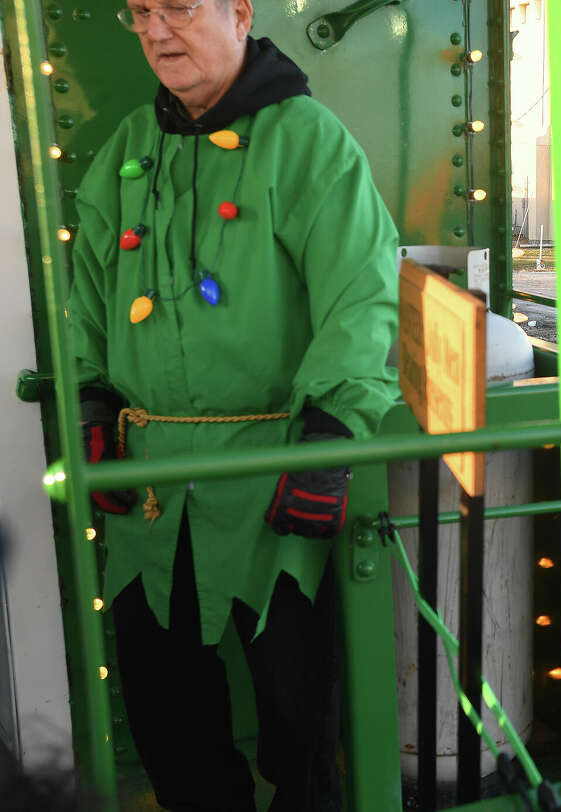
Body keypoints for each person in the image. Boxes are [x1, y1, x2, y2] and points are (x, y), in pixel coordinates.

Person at [67, 3, 400, 808]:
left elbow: (361, 298)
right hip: (150, 494)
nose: (156, 30)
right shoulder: (128, 150)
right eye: (140, 12)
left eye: (178, 6)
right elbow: (85, 297)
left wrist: (329, 436)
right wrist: (91, 399)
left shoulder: (311, 142)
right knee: (167, 716)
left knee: (300, 725)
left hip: (276, 486)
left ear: (240, 14)